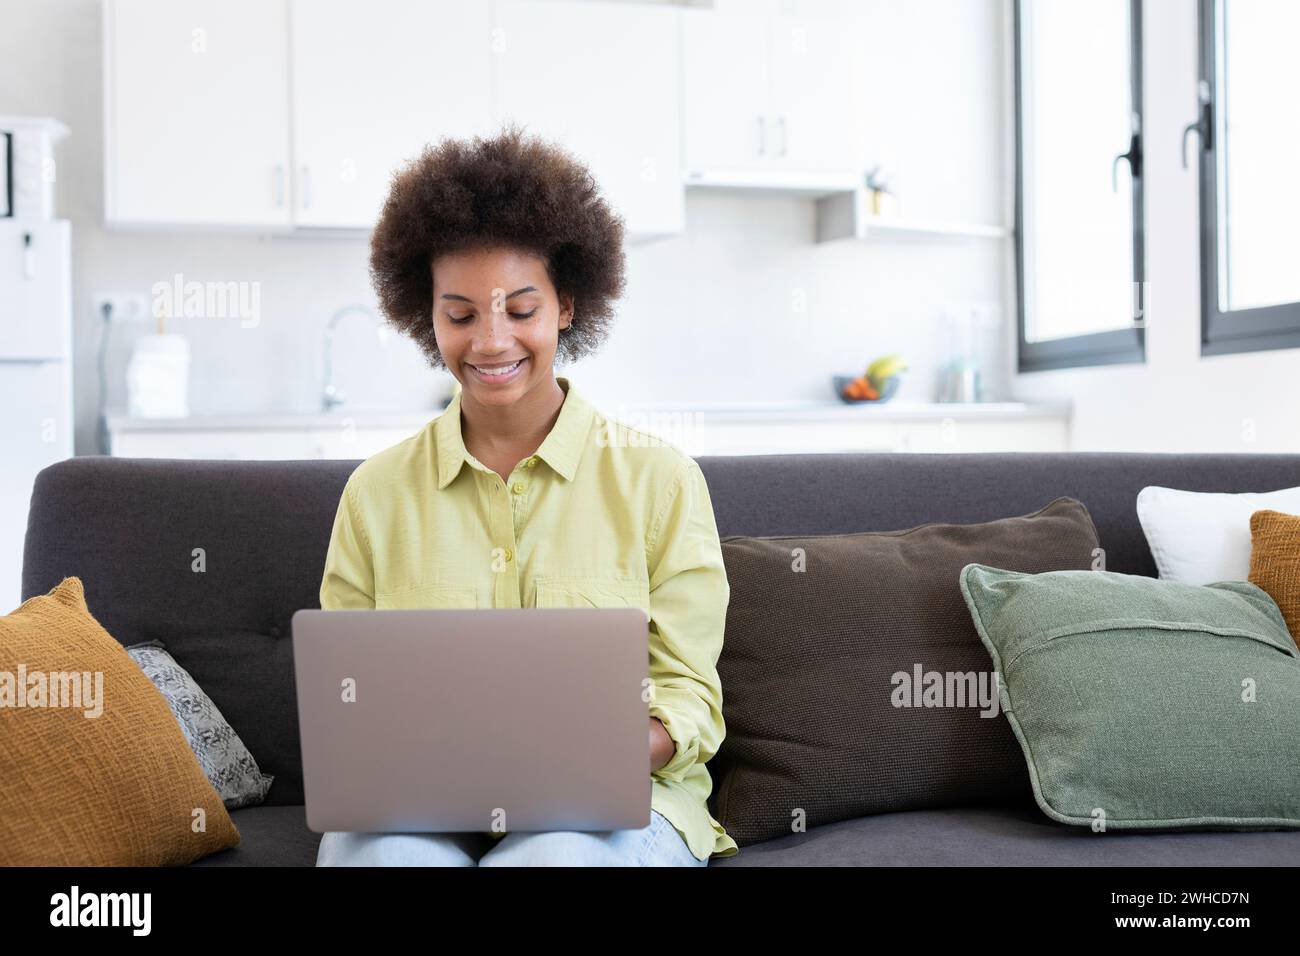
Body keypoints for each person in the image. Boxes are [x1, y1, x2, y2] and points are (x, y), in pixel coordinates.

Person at [314, 124, 738, 866]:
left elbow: (687, 694)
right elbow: (346, 699)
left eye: (520, 309)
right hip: (417, 809)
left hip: (614, 809)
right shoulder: (374, 496)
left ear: (567, 306)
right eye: (461, 314)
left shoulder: (659, 480)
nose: (491, 341)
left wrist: (597, 755)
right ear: (427, 317)